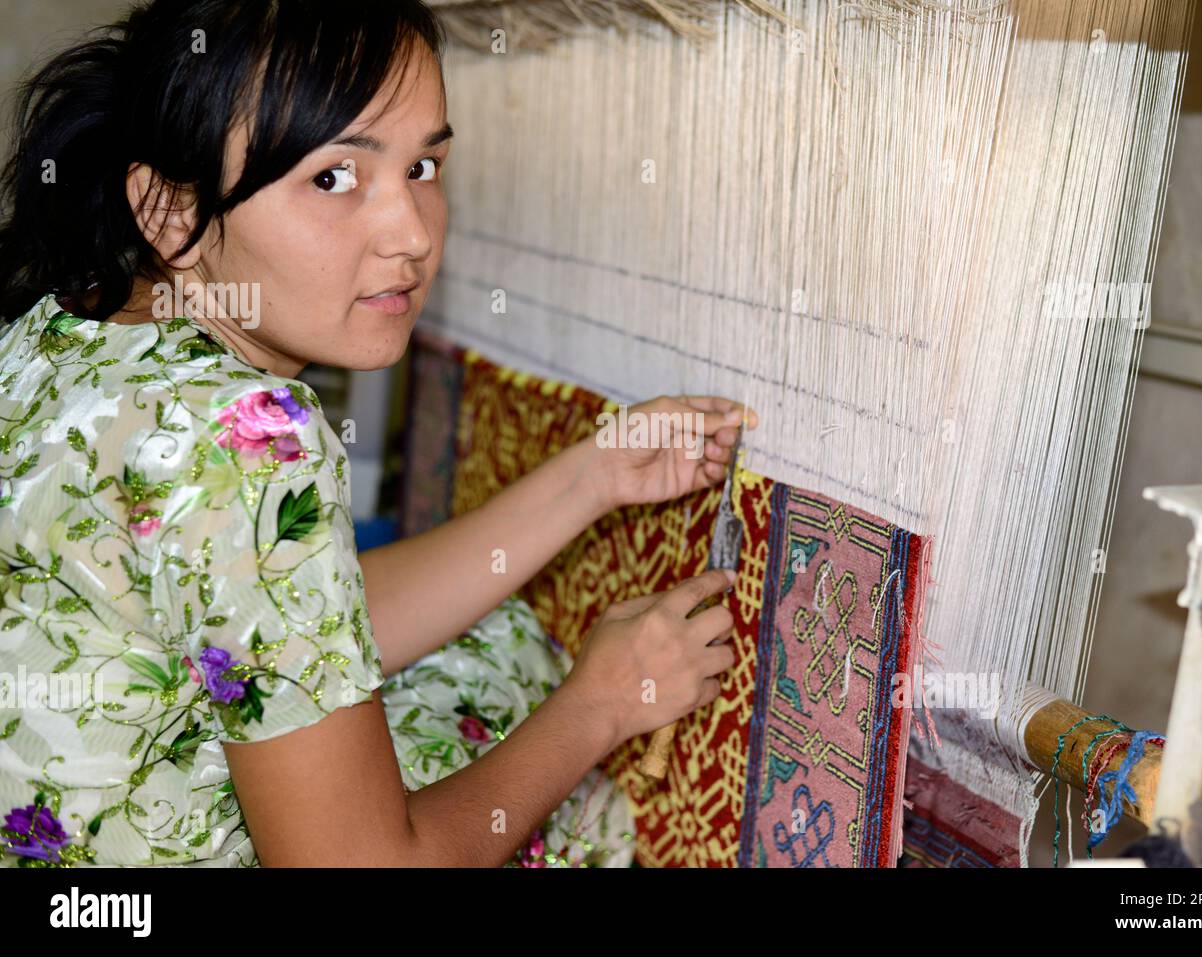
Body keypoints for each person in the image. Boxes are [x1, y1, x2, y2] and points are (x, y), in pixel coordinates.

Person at [0, 0, 752, 867]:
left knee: (492, 638)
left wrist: (590, 478)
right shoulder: (246, 440)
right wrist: (603, 704)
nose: (411, 235)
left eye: (424, 165)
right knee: (555, 772)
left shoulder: (61, 330)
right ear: (170, 209)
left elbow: (280, 620)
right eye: (333, 178)